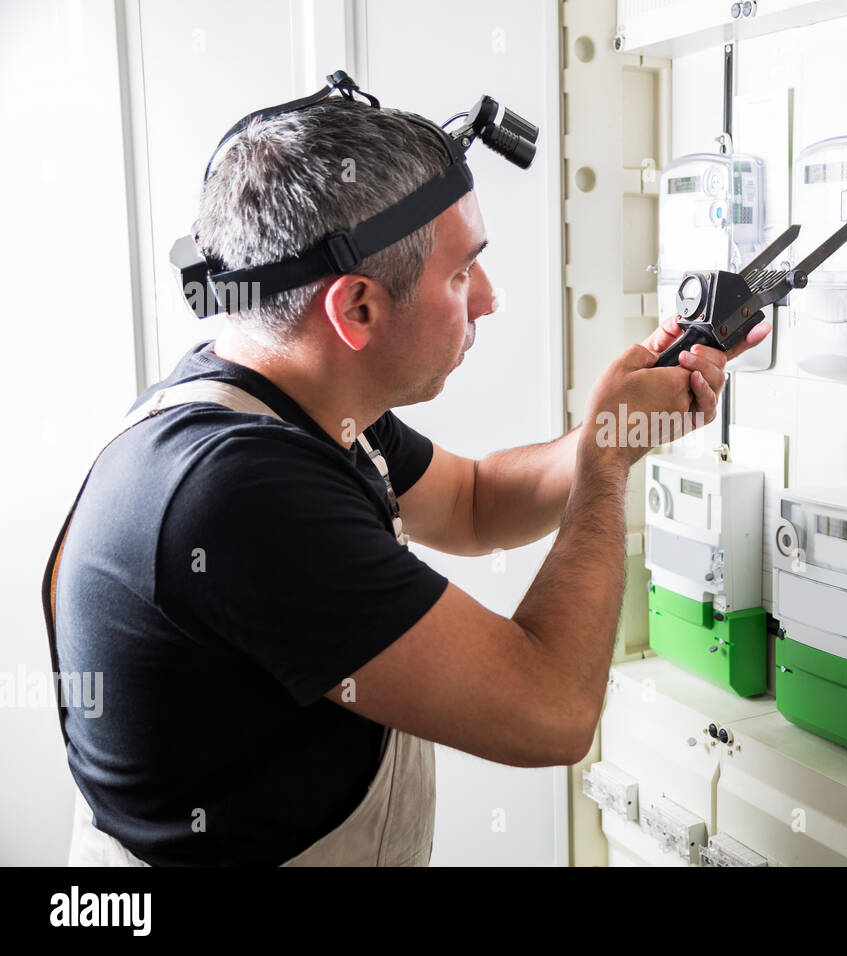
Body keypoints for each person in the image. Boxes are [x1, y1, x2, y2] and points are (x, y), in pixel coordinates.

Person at [45, 95, 770, 866]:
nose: (489, 297)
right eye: (461, 274)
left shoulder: (292, 392)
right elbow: (554, 710)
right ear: (356, 307)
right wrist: (607, 465)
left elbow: (473, 504)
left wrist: (612, 428)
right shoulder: (238, 496)